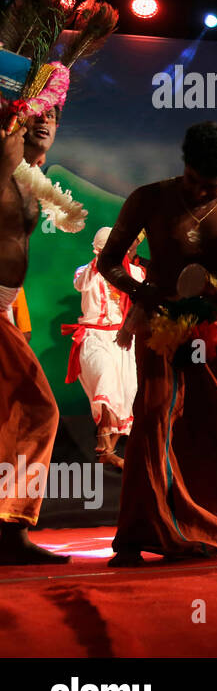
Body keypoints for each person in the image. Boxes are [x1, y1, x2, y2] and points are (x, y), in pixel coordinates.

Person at [98, 121, 217, 565]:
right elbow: (109, 262)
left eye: (212, 187)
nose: (201, 193)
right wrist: (142, 294)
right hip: (160, 318)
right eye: (193, 181)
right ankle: (134, 536)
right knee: (153, 419)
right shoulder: (149, 197)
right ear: (183, 166)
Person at [0, 100, 67, 564]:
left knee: (11, 417)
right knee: (35, 410)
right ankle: (11, 528)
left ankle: (8, 531)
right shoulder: (4, 161)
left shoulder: (27, 174)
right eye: (35, 113)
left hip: (4, 306)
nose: (44, 122)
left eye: (53, 116)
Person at [64, 227, 145, 469]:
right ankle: (106, 451)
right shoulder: (86, 271)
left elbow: (143, 294)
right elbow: (81, 284)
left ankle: (106, 450)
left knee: (128, 392)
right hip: (94, 337)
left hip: (123, 339)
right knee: (106, 381)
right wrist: (101, 261)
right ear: (99, 248)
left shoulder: (135, 273)